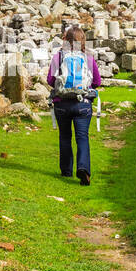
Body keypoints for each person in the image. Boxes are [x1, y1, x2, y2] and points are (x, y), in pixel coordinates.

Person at [47, 26, 102, 185]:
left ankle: (66, 170)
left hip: (61, 104)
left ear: (66, 40)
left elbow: (50, 80)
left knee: (65, 136)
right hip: (82, 104)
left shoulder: (58, 57)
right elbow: (97, 82)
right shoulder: (88, 58)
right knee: (82, 137)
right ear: (82, 40)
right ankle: (83, 168)